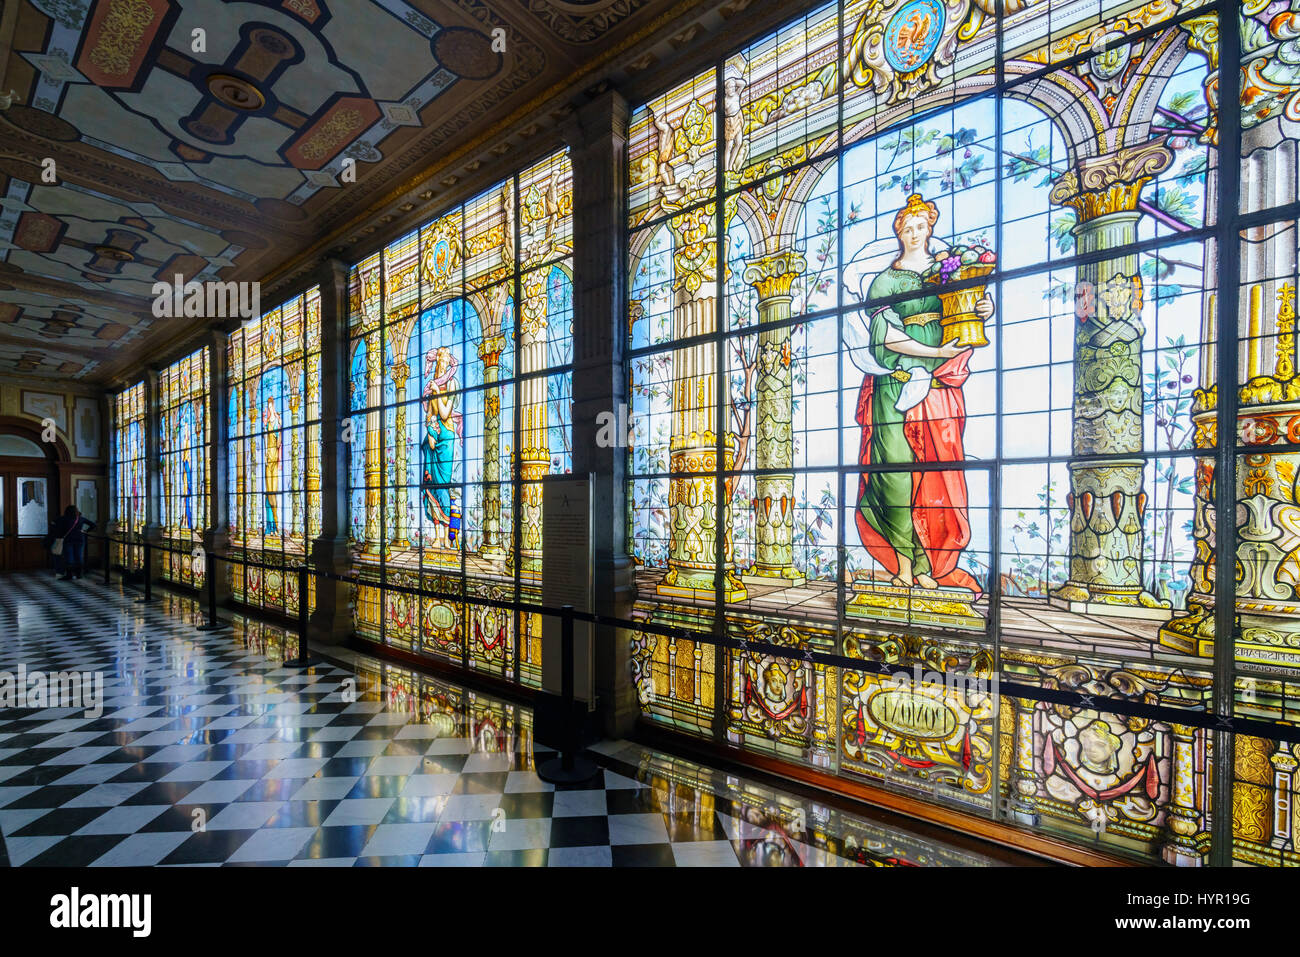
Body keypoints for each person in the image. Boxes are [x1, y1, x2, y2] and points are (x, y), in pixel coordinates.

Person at [844, 193, 992, 595]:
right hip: (894, 384)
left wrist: (983, 311)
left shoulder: (951, 273)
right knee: (892, 476)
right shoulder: (884, 281)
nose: (913, 234)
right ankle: (905, 565)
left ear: (930, 229)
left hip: (940, 384)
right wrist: (933, 352)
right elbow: (886, 337)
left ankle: (931, 565)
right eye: (906, 228)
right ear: (899, 232)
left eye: (920, 227)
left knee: (936, 477)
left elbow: (966, 313)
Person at [420, 346, 462, 549]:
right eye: (438, 361)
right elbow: (431, 416)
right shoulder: (433, 385)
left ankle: (447, 537)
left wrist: (436, 392)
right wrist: (429, 431)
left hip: (447, 439)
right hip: (434, 438)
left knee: (443, 487)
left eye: (443, 361)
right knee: (432, 487)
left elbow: (445, 414)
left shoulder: (452, 384)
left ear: (449, 363)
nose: (440, 365)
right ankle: (437, 536)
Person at [52, 505, 96, 581]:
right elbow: (93, 525)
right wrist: (85, 531)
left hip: (68, 540)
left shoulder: (63, 518)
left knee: (69, 558)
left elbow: (53, 523)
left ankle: (69, 575)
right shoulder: (80, 519)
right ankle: (79, 574)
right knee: (78, 557)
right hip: (80, 539)